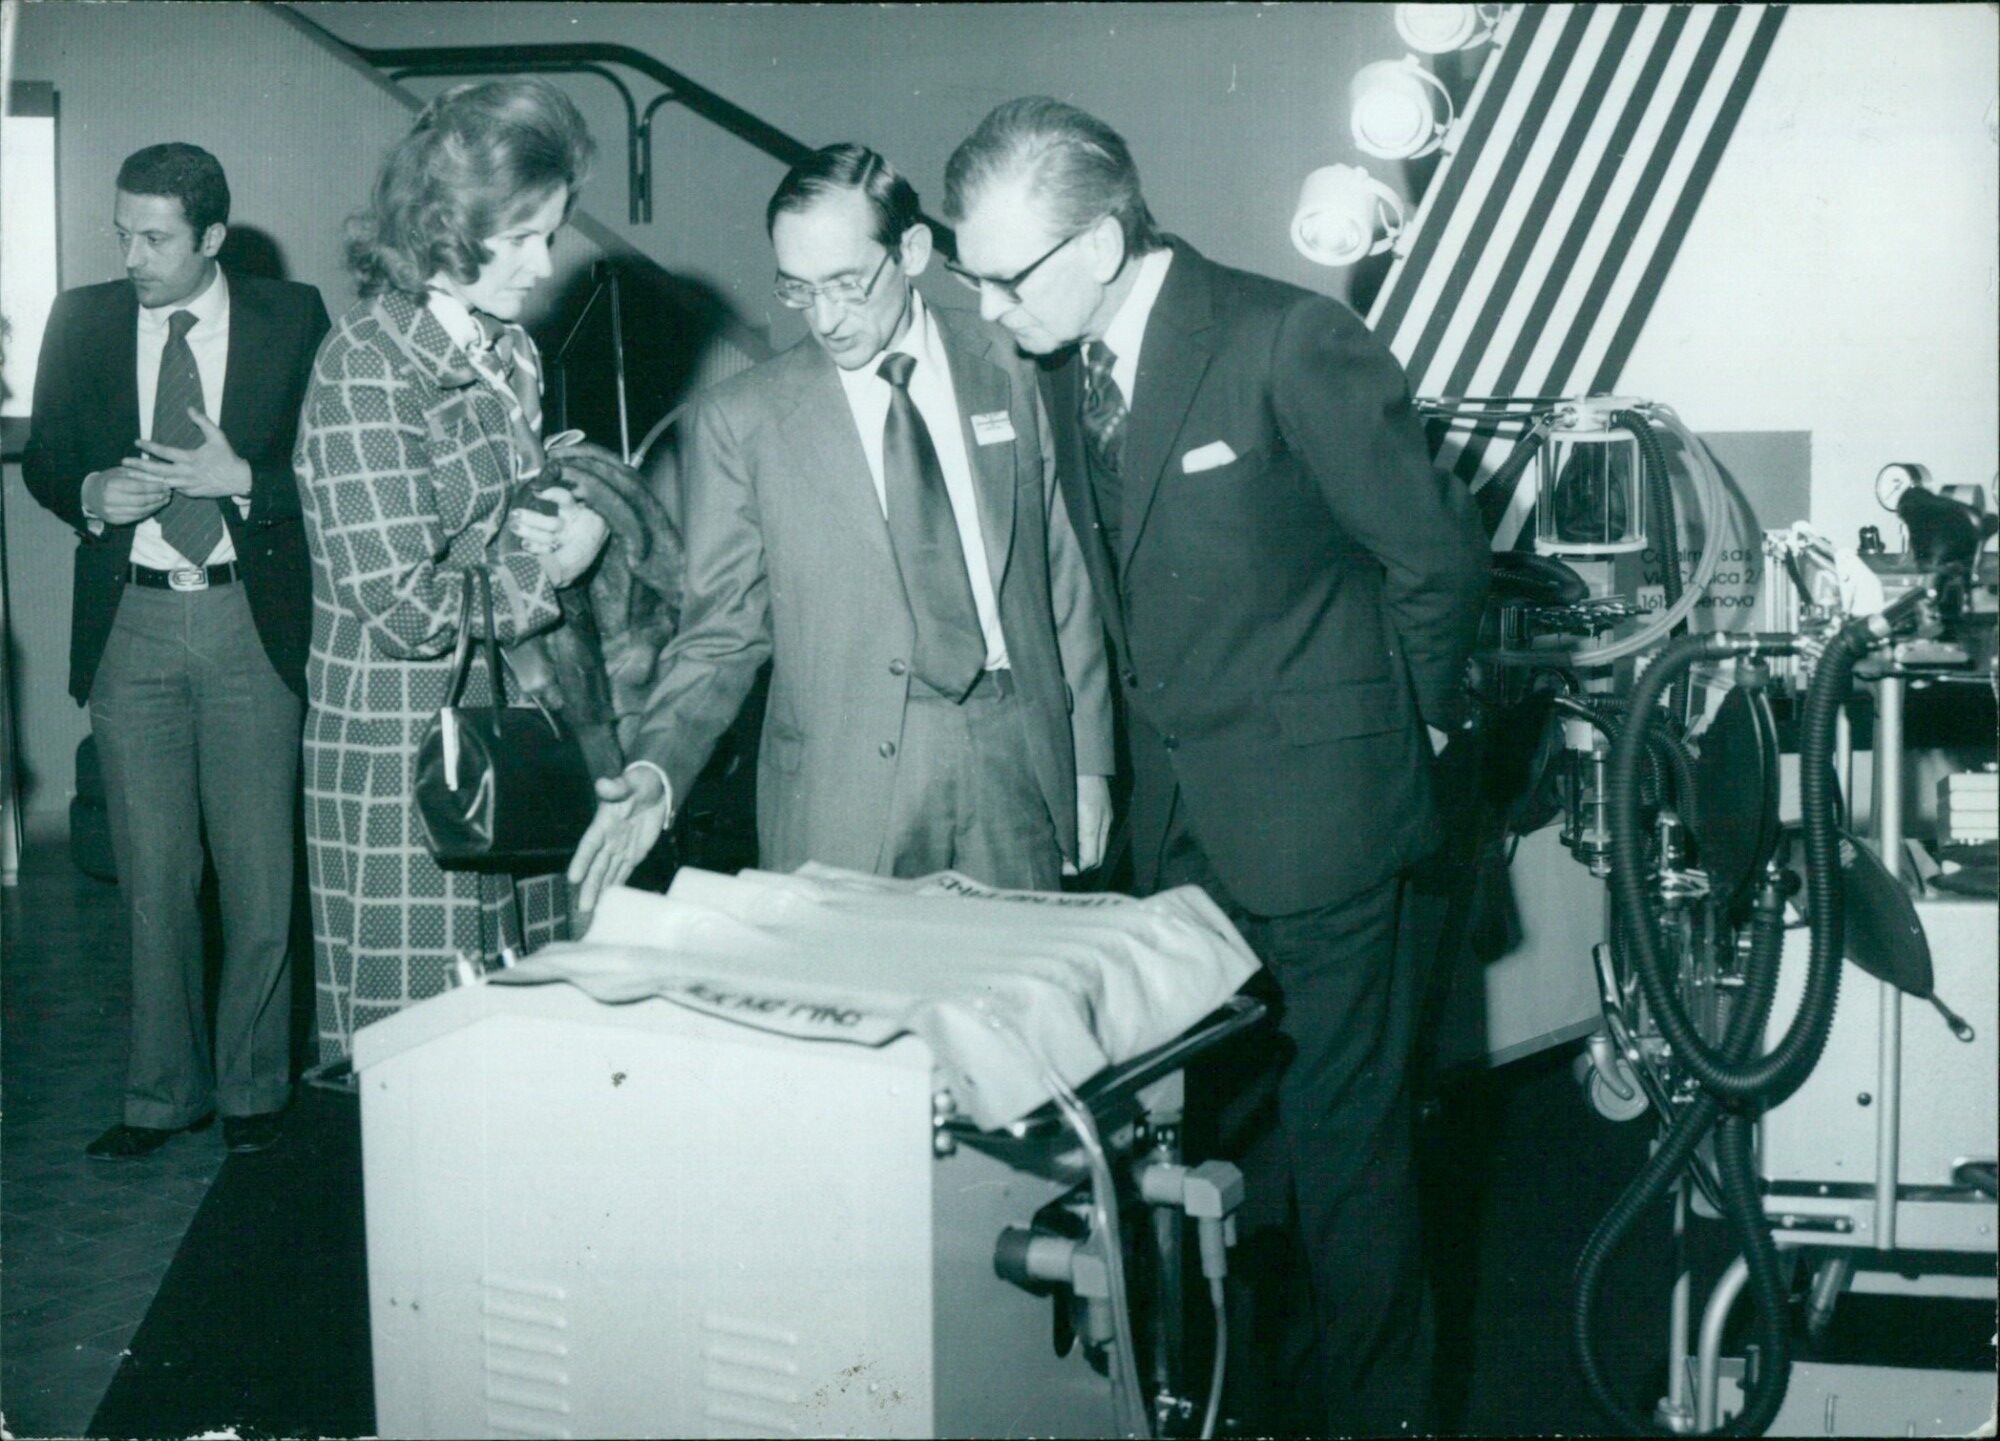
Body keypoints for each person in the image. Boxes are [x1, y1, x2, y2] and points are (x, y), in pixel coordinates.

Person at [945, 98, 1491, 1436]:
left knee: (1351, 1157)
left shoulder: (1284, 338)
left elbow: (1435, 558)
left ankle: (1381, 1419)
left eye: (1005, 278)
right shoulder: (1069, 369)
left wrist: (1401, 737)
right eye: (971, 277)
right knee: (1224, 1159)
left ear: (1104, 238)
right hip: (1183, 835)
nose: (987, 308)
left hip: (1331, 822)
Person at [568, 144, 1112, 909]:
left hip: (1013, 760)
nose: (825, 318)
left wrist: (1088, 761)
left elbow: (1063, 576)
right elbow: (721, 633)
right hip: (840, 789)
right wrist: (659, 767)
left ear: (913, 251)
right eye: (798, 289)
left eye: (848, 285)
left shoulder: (1011, 361)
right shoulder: (744, 420)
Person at [293, 81, 609, 1065]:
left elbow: (505, 512)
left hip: (507, 738)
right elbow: (402, 608)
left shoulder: (505, 347)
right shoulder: (364, 372)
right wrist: (546, 562)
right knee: (424, 1070)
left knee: (519, 1042)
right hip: (406, 769)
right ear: (439, 229)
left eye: (549, 234)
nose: (544, 264)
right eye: (519, 238)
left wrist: (577, 509)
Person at [23, 143, 330, 1157]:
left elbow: (329, 470)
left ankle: (254, 1094)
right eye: (122, 232)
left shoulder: (294, 318)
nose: (133, 255)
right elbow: (53, 457)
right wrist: (86, 496)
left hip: (251, 617)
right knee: (151, 878)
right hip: (134, 623)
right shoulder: (83, 318)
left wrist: (246, 479)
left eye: (155, 237)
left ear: (211, 237)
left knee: (258, 880)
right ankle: (161, 1097)